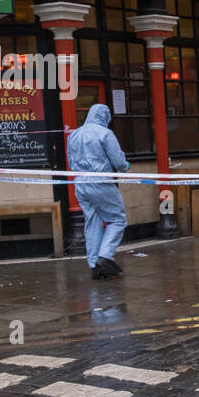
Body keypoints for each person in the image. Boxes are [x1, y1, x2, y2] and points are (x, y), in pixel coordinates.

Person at [67, 103, 129, 280]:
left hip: (80, 184)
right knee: (117, 219)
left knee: (92, 222)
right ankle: (105, 257)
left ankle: (95, 265)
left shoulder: (74, 134)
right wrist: (126, 166)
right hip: (101, 182)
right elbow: (118, 163)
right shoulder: (105, 133)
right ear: (105, 117)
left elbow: (71, 163)